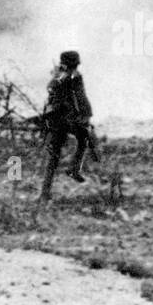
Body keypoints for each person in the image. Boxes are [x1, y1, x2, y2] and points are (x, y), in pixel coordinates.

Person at [39, 50, 93, 202]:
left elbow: (51, 90)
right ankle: (74, 169)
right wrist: (86, 114)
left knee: (54, 157)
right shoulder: (74, 76)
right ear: (75, 64)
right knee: (84, 139)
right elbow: (80, 97)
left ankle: (45, 193)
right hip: (66, 118)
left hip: (55, 119)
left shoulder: (58, 76)